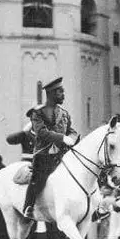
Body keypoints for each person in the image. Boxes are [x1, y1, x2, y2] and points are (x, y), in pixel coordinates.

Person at [22, 77, 79, 219]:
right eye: (60, 92)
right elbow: (41, 132)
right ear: (52, 93)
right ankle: (28, 206)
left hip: (62, 154)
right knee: (38, 178)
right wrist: (61, 138)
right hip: (44, 155)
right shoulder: (38, 112)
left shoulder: (64, 113)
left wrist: (71, 137)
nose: (63, 95)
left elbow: (71, 130)